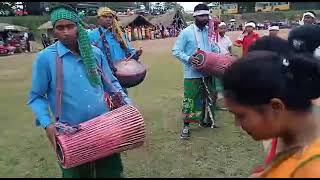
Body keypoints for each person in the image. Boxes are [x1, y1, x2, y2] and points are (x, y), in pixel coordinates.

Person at [27, 5, 131, 178]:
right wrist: (47, 123)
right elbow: (36, 97)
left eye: (70, 26)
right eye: (60, 28)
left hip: (105, 127)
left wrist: (127, 104)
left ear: (78, 26)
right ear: (54, 31)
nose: (66, 32)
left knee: (112, 172)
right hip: (70, 134)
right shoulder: (46, 58)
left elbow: (111, 83)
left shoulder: (95, 53)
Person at [222, 50, 320, 178]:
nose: (237, 124)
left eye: (241, 115)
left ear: (276, 107)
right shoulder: (291, 141)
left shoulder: (312, 169)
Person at [172, 3, 221, 139]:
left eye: (206, 15)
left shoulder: (209, 32)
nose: (204, 18)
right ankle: (186, 126)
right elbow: (176, 51)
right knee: (190, 99)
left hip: (208, 71)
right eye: (201, 16)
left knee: (210, 97)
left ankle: (206, 120)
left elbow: (213, 48)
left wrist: (219, 55)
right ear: (195, 17)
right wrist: (189, 59)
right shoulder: (186, 32)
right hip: (192, 74)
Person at [88, 7, 142, 90]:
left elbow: (130, 51)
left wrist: (135, 54)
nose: (108, 19)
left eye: (110, 17)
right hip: (103, 76)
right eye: (105, 17)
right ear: (98, 19)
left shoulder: (120, 35)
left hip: (121, 74)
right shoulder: (91, 35)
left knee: (122, 98)